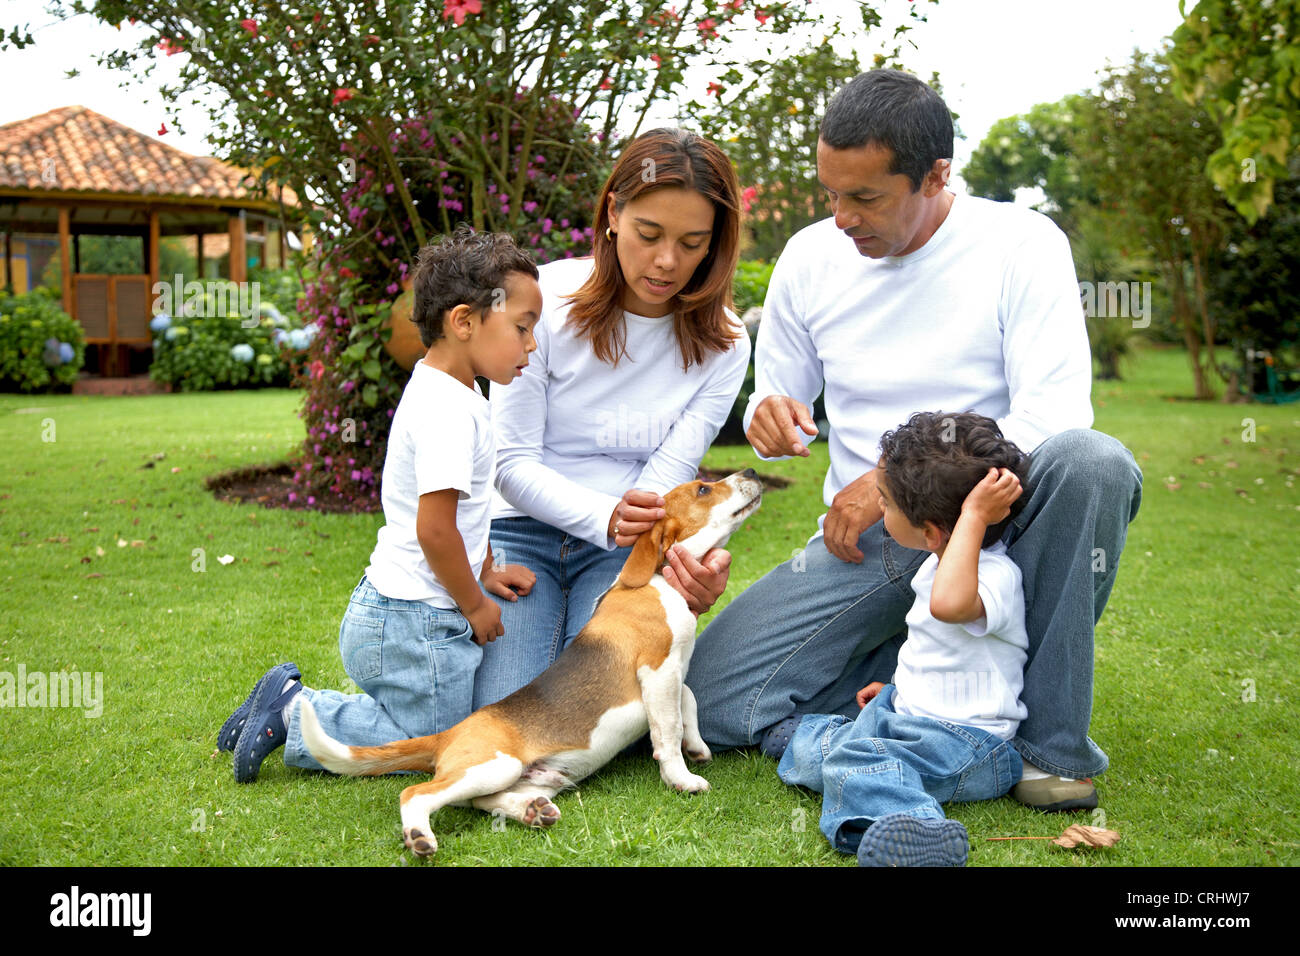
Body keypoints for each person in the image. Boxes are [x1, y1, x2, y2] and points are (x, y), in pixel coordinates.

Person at [686, 69, 1143, 811]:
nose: (841, 217)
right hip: (872, 538)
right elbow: (783, 400)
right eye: (831, 193)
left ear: (936, 174)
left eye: (865, 197)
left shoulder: (1021, 244)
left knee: (1094, 463)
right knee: (713, 702)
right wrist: (770, 416)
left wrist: (898, 474)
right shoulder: (809, 257)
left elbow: (1056, 411)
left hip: (999, 523)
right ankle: (920, 687)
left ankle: (1045, 751)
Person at [218, 228, 542, 782]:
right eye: (522, 328)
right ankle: (295, 711)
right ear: (464, 322)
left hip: (399, 612)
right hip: (417, 624)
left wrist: (485, 570)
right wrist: (474, 605)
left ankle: (279, 707)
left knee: (447, 734)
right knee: (437, 745)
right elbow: (435, 530)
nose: (531, 345)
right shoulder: (449, 411)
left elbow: (466, 512)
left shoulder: (450, 390)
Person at [471, 128, 751, 709]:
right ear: (614, 214)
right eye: (648, 234)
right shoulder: (544, 301)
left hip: (628, 547)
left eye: (693, 242)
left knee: (598, 702)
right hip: (521, 530)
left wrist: (675, 556)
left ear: (715, 243)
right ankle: (294, 712)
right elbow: (510, 463)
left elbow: (668, 474)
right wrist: (605, 516)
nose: (667, 261)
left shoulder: (726, 342)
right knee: (506, 706)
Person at [764, 411, 1030, 867]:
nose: (879, 509)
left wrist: (971, 516)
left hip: (971, 746)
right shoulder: (936, 562)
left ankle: (921, 834)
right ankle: (819, 745)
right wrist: (895, 689)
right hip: (910, 721)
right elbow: (938, 648)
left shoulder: (994, 576)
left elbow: (948, 606)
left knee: (854, 762)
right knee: (851, 749)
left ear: (929, 532)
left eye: (885, 503)